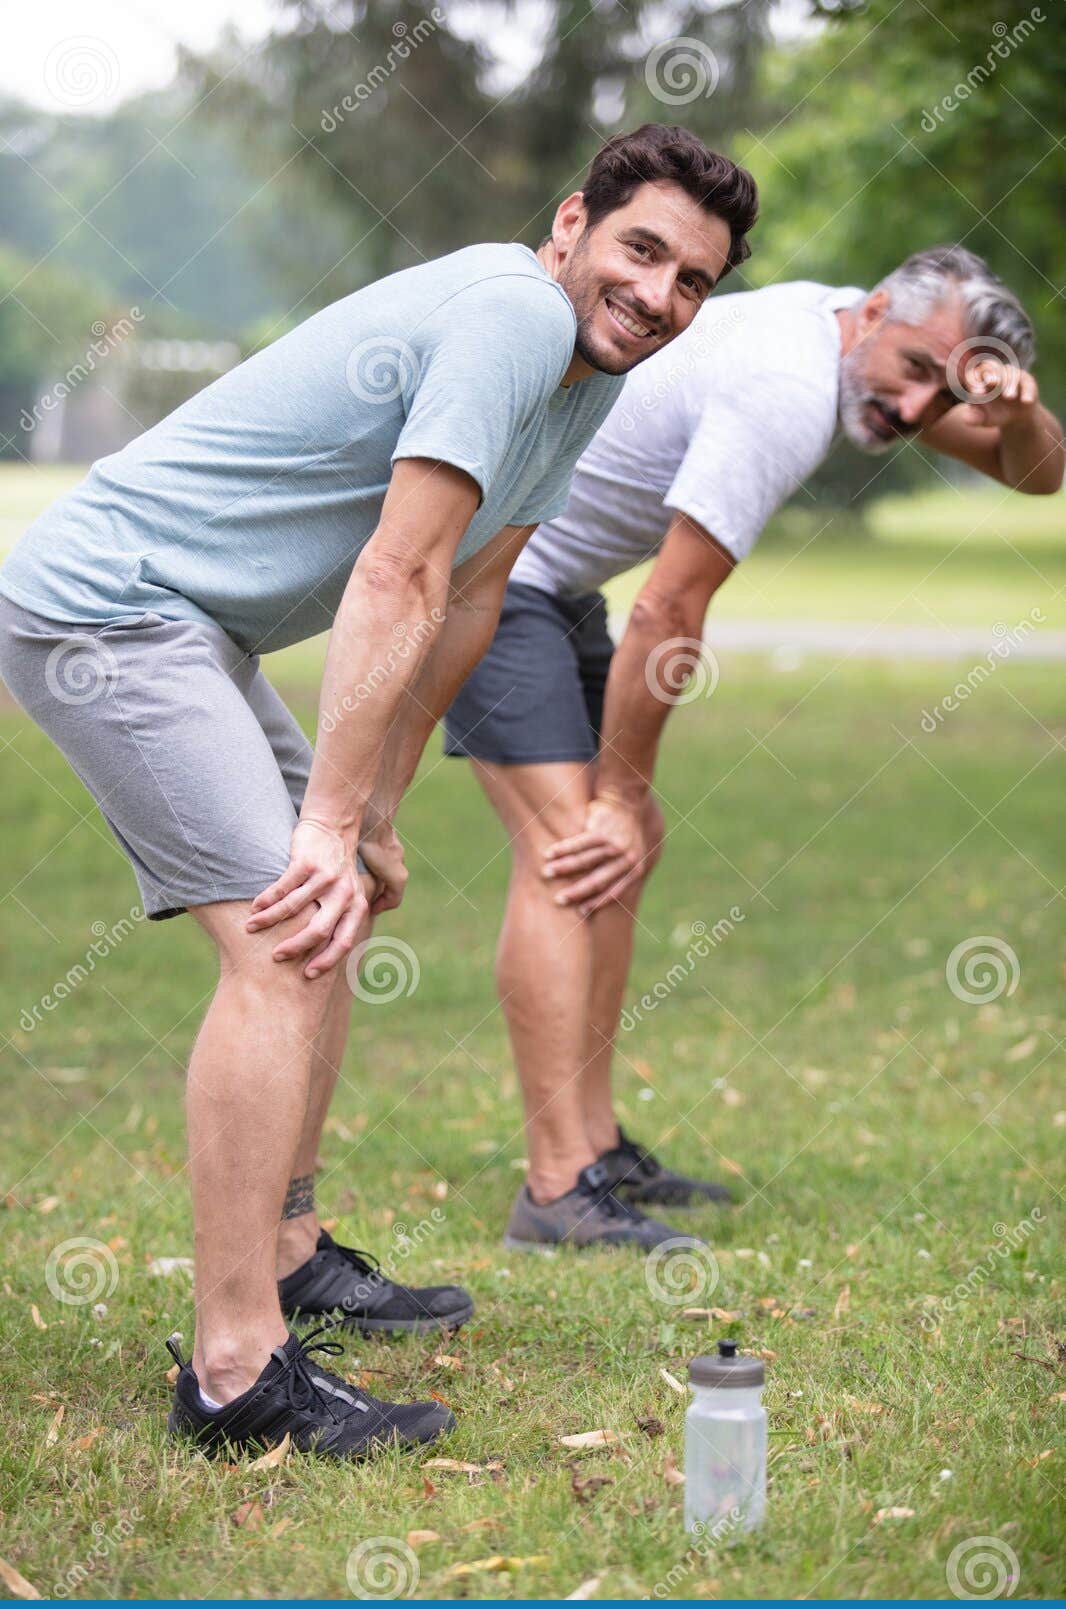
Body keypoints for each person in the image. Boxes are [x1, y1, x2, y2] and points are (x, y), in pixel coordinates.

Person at [0, 125, 758, 1460]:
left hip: (189, 627)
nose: (656, 295)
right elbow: (398, 572)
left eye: (691, 280)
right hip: (106, 611)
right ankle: (236, 1373)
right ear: (574, 221)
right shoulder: (512, 318)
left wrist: (378, 810)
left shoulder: (582, 382)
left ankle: (286, 1252)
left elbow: (473, 590)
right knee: (289, 937)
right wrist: (325, 818)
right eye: (641, 251)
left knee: (323, 909)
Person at [443, 245, 1063, 1253]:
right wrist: (615, 792)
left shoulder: (862, 349)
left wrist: (1014, 405)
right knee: (574, 855)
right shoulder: (787, 385)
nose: (913, 412)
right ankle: (555, 1191)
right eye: (914, 374)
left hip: (546, 580)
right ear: (872, 314)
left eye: (941, 391)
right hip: (483, 574)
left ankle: (593, 1146)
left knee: (623, 852)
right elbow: (669, 609)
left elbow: (1034, 474)